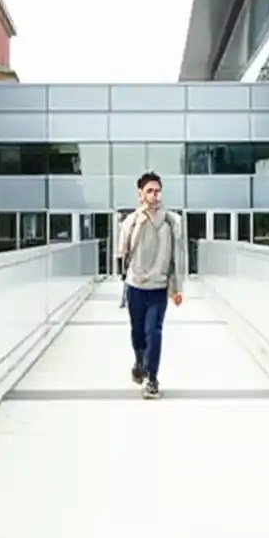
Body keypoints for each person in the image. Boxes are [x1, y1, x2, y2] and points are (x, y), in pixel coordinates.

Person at [116, 171, 185, 399]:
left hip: (159, 287)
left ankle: (152, 378)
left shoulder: (171, 221)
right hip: (135, 287)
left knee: (154, 332)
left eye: (158, 191)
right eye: (150, 191)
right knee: (138, 333)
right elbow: (122, 252)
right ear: (141, 194)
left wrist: (176, 288)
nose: (155, 195)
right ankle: (139, 361)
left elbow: (178, 257)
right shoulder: (131, 221)